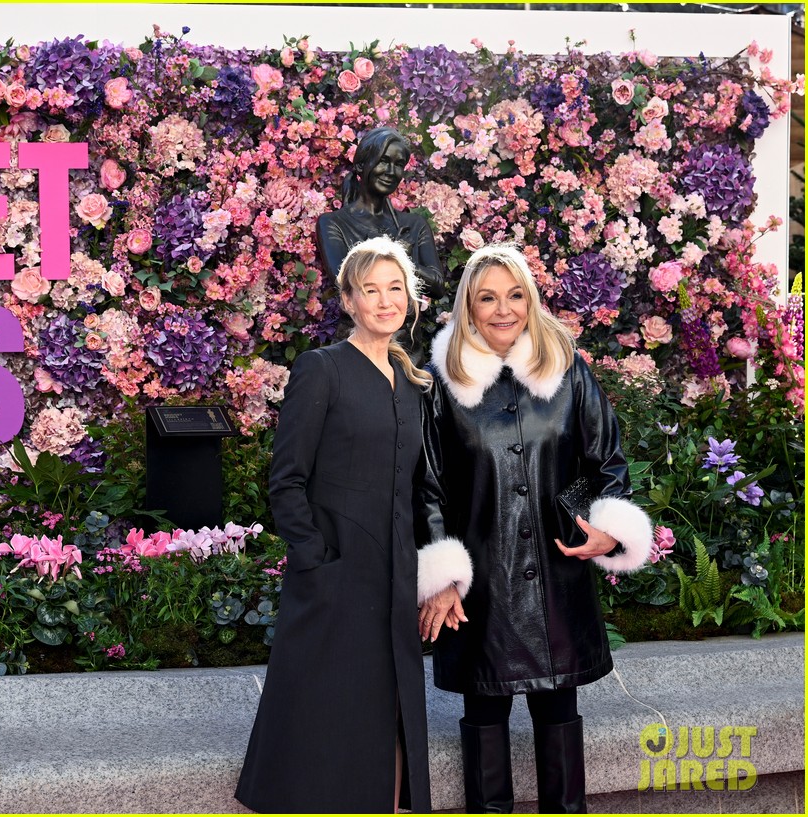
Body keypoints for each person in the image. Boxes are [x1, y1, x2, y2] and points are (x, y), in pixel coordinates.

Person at [236, 236, 473, 814]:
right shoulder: (322, 370)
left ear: (410, 299)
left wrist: (439, 572)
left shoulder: (415, 384)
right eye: (372, 289)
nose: (386, 300)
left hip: (394, 580)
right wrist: (317, 560)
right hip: (336, 580)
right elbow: (286, 480)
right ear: (348, 299)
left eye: (397, 288)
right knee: (327, 720)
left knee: (388, 712)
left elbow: (423, 489)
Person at [416, 244, 653, 813]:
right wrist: (442, 576)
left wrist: (607, 528)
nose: (503, 309)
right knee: (484, 715)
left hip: (557, 578)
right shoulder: (439, 385)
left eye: (515, 295)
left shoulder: (568, 370)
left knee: (558, 710)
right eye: (488, 297)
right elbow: (423, 487)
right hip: (480, 590)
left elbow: (609, 463)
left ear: (531, 299)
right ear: (468, 307)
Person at [317, 127, 445, 364]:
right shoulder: (333, 223)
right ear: (360, 166)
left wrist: (397, 260)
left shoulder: (414, 225)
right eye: (384, 161)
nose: (391, 171)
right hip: (356, 350)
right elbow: (344, 279)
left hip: (408, 354)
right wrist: (397, 256)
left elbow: (437, 284)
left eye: (398, 165)